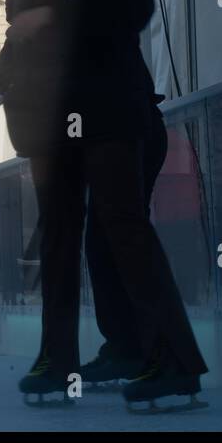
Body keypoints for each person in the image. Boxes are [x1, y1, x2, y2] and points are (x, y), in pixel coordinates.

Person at [0, 0, 206, 409]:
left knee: (122, 227)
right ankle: (55, 357)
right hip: (51, 124)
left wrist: (58, 15)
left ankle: (173, 360)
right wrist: (9, 80)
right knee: (61, 238)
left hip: (110, 110)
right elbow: (17, 39)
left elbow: (135, 7)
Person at [80, 92, 170, 386]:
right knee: (110, 244)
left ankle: (152, 352)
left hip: (122, 132)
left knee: (113, 245)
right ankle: (132, 347)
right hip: (125, 129)